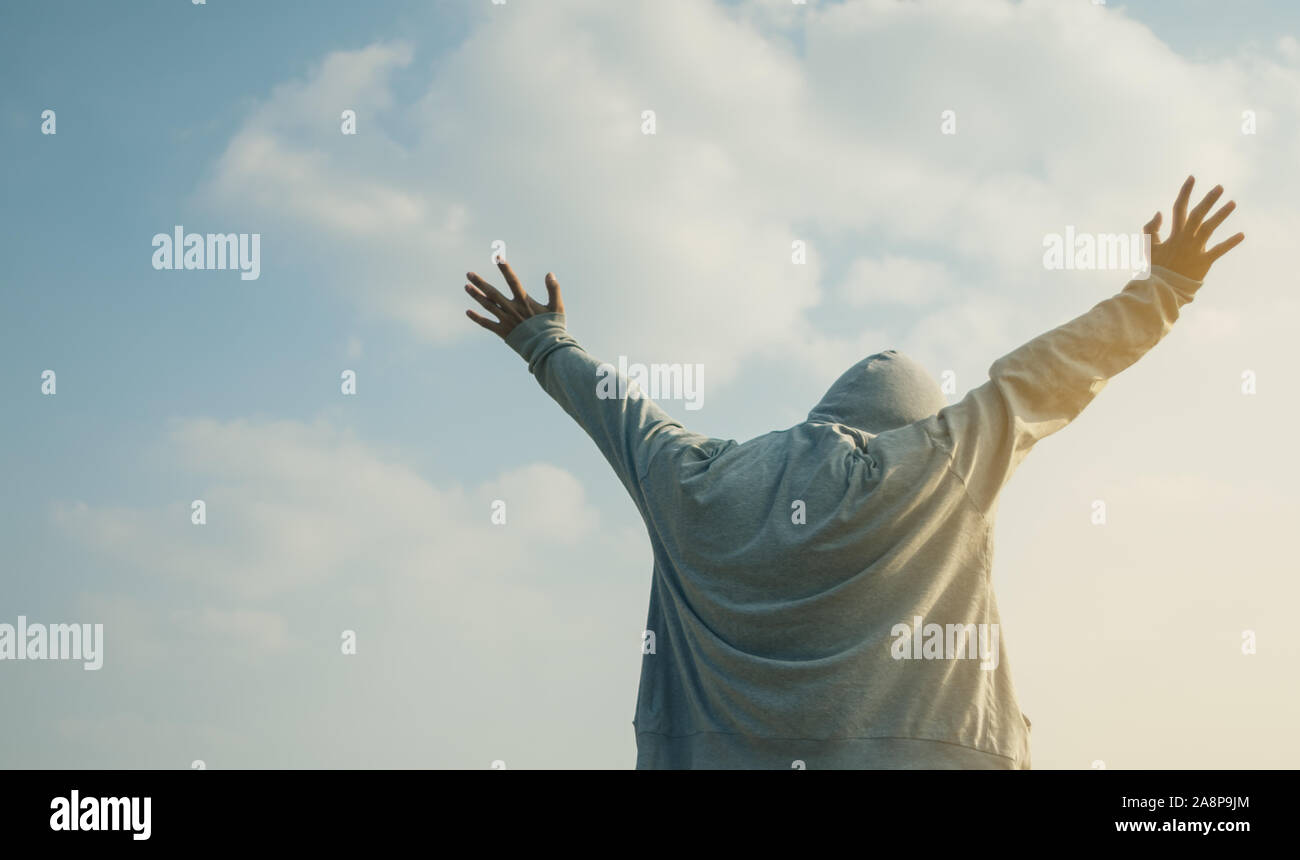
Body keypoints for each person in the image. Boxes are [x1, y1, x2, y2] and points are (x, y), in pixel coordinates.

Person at [462, 176, 1243, 769]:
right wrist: (1165, 290)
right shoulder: (942, 462)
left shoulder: (695, 478)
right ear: (916, 420)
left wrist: (545, 341)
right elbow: (1045, 376)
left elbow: (619, 414)